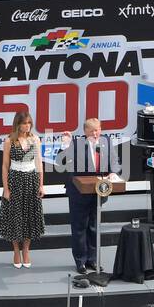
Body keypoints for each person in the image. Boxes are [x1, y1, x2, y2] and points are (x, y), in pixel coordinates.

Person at [56, 116, 113, 273]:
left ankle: (92, 260)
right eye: (92, 130)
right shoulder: (76, 144)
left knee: (94, 227)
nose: (96, 133)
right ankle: (80, 261)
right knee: (80, 227)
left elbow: (114, 162)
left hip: (98, 191)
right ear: (85, 131)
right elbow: (61, 162)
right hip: (79, 192)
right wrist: (65, 144)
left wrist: (113, 173)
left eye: (98, 129)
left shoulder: (106, 142)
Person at [0, 110, 46, 268]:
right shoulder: (9, 140)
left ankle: (26, 250)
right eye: (24, 123)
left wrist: (41, 184)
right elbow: (5, 166)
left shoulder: (35, 139)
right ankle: (16, 251)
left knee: (30, 216)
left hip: (31, 180)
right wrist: (6, 189)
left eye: (29, 123)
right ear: (18, 124)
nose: (27, 126)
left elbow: (39, 163)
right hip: (15, 181)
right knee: (15, 216)